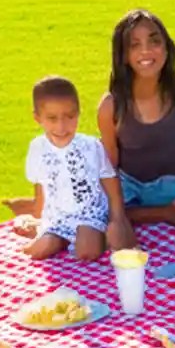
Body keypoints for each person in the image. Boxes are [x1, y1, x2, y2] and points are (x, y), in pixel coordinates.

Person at [95, 9, 175, 234]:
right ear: (123, 56)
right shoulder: (111, 106)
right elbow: (109, 164)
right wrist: (113, 207)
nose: (146, 51)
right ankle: (163, 213)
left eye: (154, 41)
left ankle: (154, 212)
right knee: (100, 216)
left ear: (167, 47)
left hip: (168, 184)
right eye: (134, 45)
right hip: (128, 185)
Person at [18, 76, 131, 260]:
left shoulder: (91, 146)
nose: (61, 127)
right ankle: (61, 239)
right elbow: (40, 187)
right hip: (57, 216)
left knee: (87, 252)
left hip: (89, 214)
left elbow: (110, 181)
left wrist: (117, 220)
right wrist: (39, 220)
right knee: (37, 252)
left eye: (69, 117)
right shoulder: (37, 148)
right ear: (37, 118)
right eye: (52, 118)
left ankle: (94, 238)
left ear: (78, 113)